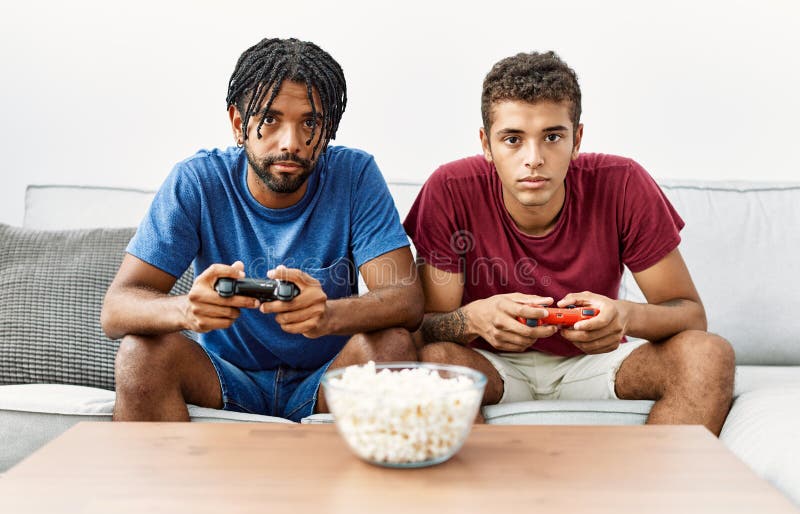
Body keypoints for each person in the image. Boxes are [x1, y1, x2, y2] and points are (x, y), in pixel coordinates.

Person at [404, 51, 734, 435]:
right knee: (435, 362)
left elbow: (690, 315)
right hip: (491, 363)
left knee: (709, 354)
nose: (534, 159)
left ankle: (651, 491)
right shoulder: (450, 188)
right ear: (486, 144)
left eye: (552, 137)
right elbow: (423, 329)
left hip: (597, 361)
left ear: (576, 139)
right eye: (512, 139)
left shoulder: (623, 181)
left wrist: (624, 315)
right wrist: (475, 317)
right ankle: (483, 494)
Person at [101, 37, 422, 423]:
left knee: (392, 346)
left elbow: (407, 301)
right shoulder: (198, 181)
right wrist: (186, 309)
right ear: (239, 124)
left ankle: (374, 484)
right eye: (270, 119)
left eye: (310, 122)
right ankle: (156, 484)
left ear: (328, 128)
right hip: (223, 377)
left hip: (325, 380)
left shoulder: (355, 175)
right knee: (140, 354)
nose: (291, 143)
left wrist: (326, 315)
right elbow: (116, 309)